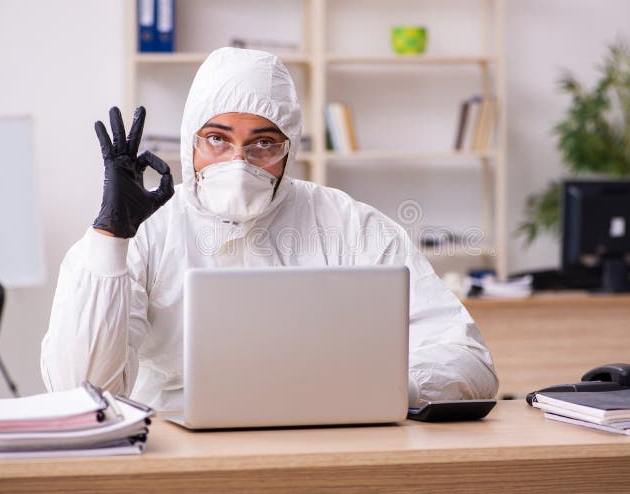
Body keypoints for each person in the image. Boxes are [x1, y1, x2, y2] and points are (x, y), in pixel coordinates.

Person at [41, 47, 498, 411]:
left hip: (324, 445)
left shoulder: (348, 224)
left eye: (263, 143)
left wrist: (391, 390)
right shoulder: (146, 228)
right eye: (217, 139)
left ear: (289, 147)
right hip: (172, 451)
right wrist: (110, 237)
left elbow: (467, 360)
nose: (238, 163)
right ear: (189, 142)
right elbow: (79, 391)